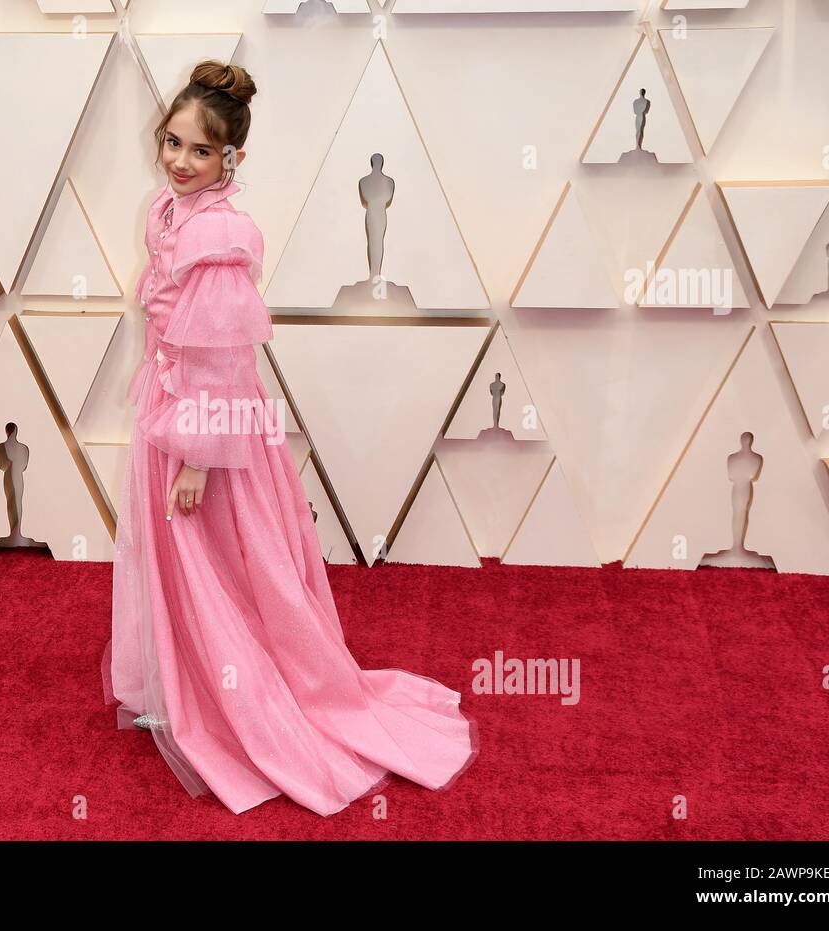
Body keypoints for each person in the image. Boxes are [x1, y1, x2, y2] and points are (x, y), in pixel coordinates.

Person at [100, 59, 480, 816]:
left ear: (230, 158)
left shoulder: (222, 235)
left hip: (208, 430)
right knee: (180, 562)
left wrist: (200, 457)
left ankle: (247, 697)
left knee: (231, 568)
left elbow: (222, 357)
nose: (179, 160)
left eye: (199, 151)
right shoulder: (165, 210)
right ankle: (191, 683)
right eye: (171, 142)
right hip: (164, 409)